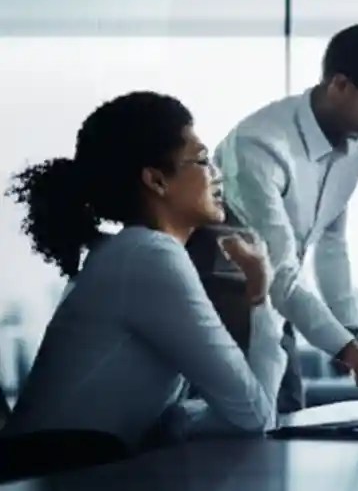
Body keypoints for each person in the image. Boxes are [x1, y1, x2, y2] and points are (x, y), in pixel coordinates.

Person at [2, 91, 285, 452]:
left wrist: (183, 417)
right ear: (156, 180)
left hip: (57, 481)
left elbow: (208, 417)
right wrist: (259, 294)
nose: (218, 175)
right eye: (202, 161)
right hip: (50, 478)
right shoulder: (149, 255)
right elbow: (255, 417)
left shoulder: (128, 252)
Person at [216, 22, 358, 412]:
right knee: (237, 440)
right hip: (222, 316)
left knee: (284, 427)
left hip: (277, 314)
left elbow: (331, 241)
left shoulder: (355, 143)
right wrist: (353, 355)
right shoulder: (259, 146)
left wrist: (352, 331)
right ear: (339, 84)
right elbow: (279, 271)